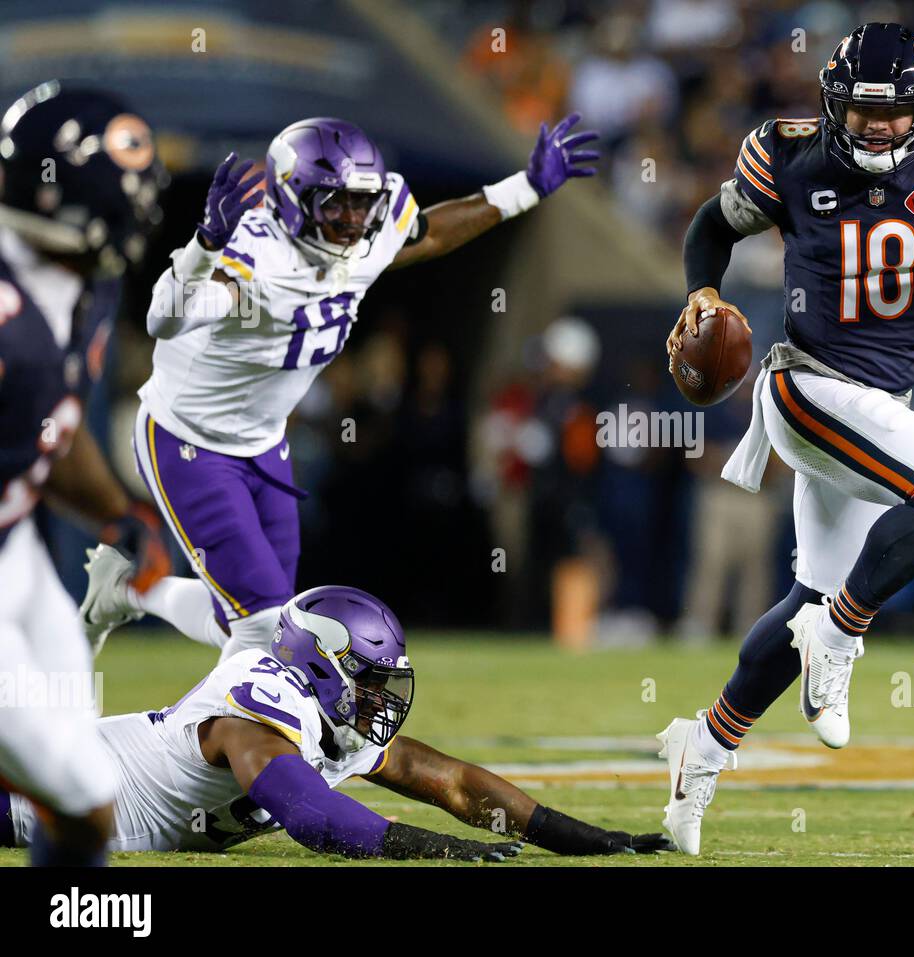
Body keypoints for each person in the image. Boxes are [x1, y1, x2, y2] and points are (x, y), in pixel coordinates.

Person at [658, 22, 914, 854]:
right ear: (832, 104)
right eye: (861, 112)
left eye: (895, 114)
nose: (878, 128)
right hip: (806, 386)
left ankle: (700, 746)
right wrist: (702, 291)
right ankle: (845, 633)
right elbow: (712, 223)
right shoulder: (788, 151)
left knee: (805, 602)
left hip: (877, 405)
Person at [80, 113, 600, 661]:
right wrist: (203, 249)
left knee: (266, 619)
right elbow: (165, 320)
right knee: (264, 629)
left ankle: (133, 598)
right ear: (290, 199)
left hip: (264, 441)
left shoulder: (366, 230)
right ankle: (219, 733)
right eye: (335, 202)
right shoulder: (258, 255)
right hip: (189, 440)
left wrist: (525, 188)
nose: (353, 218)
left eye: (361, 201)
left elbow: (425, 234)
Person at [3, 585, 670, 860]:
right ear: (322, 665)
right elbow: (308, 813)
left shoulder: (326, 717)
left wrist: (588, 839)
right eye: (371, 679)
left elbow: (452, 781)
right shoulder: (255, 712)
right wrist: (439, 849)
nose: (382, 697)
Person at [0, 81, 170, 865]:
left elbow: (51, 431)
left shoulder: (87, 280)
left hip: (15, 553)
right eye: (126, 194)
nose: (139, 213)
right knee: (76, 791)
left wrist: (117, 512)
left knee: (84, 786)